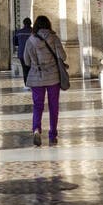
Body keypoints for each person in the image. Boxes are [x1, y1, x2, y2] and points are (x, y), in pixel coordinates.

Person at [23, 14, 67, 146]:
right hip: (53, 76)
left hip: (36, 77)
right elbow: (63, 57)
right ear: (48, 25)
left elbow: (26, 60)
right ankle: (53, 134)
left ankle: (36, 129)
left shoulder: (30, 40)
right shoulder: (54, 38)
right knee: (54, 106)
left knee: (38, 105)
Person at [14, 17, 32, 85]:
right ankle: (32, 83)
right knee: (32, 69)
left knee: (25, 69)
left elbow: (15, 42)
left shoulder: (19, 32)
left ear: (23, 24)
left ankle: (26, 84)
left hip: (21, 53)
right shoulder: (34, 32)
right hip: (31, 54)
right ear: (31, 23)